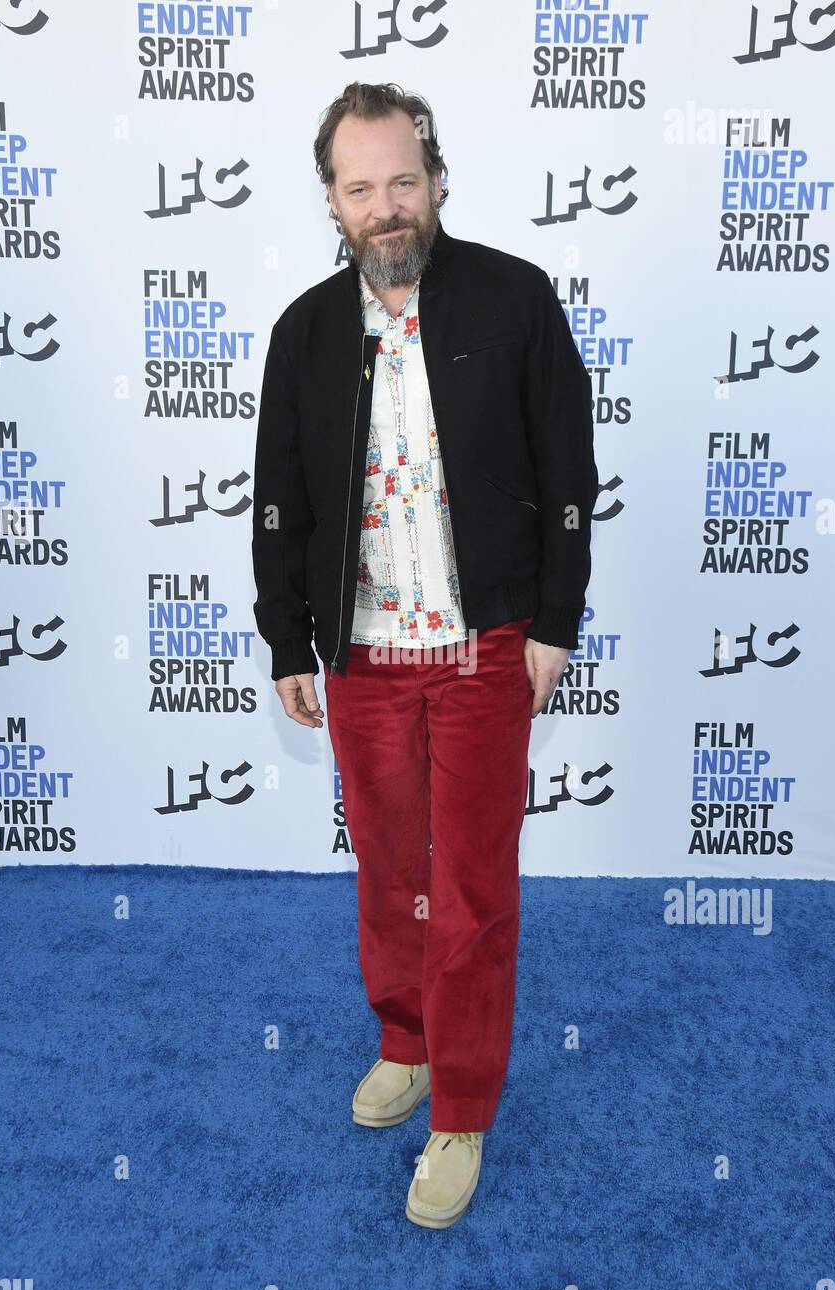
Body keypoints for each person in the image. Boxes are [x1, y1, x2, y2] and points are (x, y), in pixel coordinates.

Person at [252, 81, 598, 1229]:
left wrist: (552, 625)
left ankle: (460, 1105)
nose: (385, 207)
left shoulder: (514, 297)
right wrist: (284, 636)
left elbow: (565, 475)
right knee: (389, 872)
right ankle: (403, 1039)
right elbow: (279, 501)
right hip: (359, 654)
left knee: (471, 891)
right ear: (334, 203)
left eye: (403, 180)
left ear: (436, 178)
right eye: (360, 189)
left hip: (483, 646)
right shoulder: (303, 332)